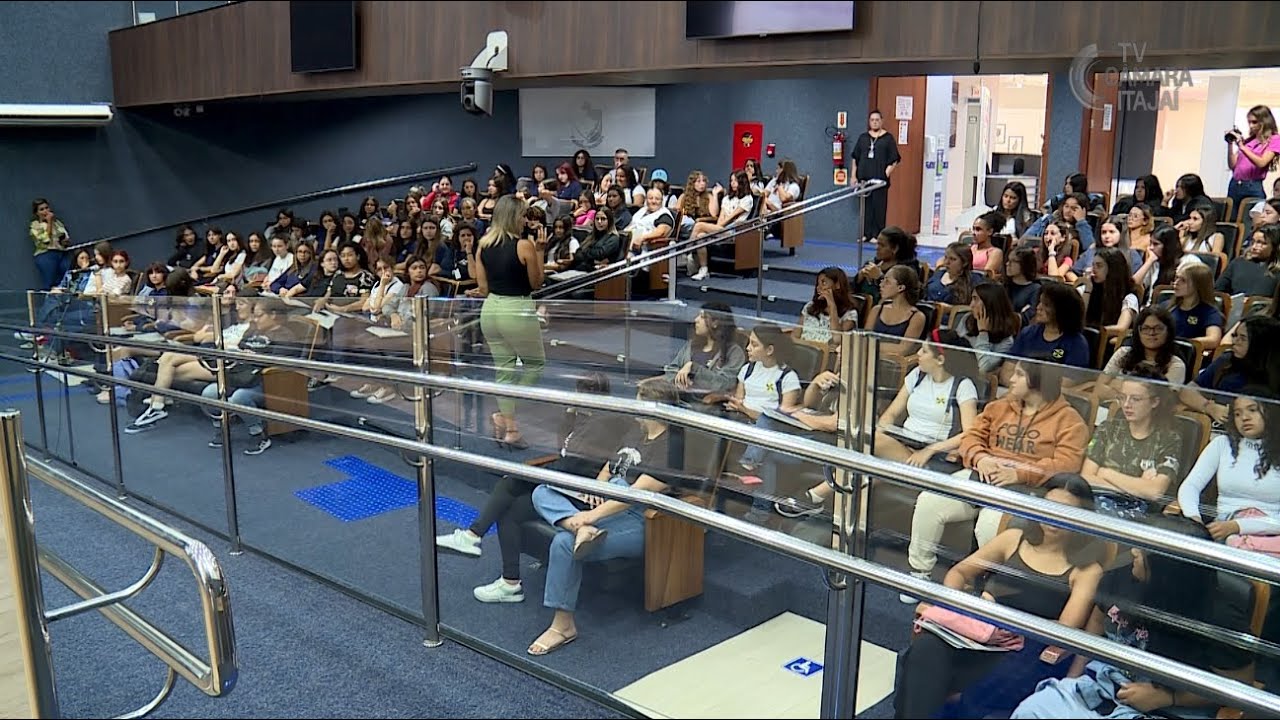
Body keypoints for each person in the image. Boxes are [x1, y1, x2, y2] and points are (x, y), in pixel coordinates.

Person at [894, 473, 1104, 719]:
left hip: (1024, 646)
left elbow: (1066, 628)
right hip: (978, 629)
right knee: (927, 649)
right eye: (1050, 506)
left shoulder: (1087, 570)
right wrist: (958, 603)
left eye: (1066, 511)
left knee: (993, 680)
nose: (1054, 517)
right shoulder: (1014, 539)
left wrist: (1009, 625)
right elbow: (959, 572)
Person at [1011, 515, 1231, 719]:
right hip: (1107, 685)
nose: (1134, 552)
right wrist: (1073, 679)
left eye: (1143, 550)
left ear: (1168, 568)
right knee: (1031, 711)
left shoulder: (1217, 615)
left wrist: (1169, 697)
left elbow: (1235, 686)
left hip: (1168, 707)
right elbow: (1096, 626)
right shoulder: (1121, 576)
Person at [526, 379, 686, 655]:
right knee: (542, 491)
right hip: (604, 502)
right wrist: (595, 493)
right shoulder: (636, 433)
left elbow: (635, 495)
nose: (634, 405)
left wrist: (590, 515)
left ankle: (562, 626)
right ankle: (576, 527)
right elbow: (607, 469)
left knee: (563, 543)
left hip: (639, 517)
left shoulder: (671, 446)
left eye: (639, 399)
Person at [469, 195, 545, 450]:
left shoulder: (482, 245)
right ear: (513, 217)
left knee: (504, 371)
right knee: (535, 365)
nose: (526, 220)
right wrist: (541, 251)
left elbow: (482, 287)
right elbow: (536, 283)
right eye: (523, 215)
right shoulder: (524, 246)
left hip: (490, 309)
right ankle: (506, 418)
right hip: (517, 309)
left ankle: (511, 428)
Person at [853, 110, 901, 242]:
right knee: (866, 207)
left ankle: (878, 234)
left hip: (880, 179)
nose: (874, 122)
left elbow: (895, 158)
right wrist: (853, 176)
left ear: (881, 121)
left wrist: (887, 172)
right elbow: (855, 157)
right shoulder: (863, 138)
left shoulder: (887, 138)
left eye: (877, 120)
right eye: (872, 120)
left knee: (879, 207)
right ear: (869, 122)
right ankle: (866, 234)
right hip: (864, 178)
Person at [29, 198, 70, 290]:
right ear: (37, 213)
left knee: (65, 279)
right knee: (50, 282)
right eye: (41, 209)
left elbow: (64, 236)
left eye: (46, 208)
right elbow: (45, 240)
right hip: (46, 254)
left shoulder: (57, 223)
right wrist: (49, 222)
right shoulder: (35, 225)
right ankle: (50, 303)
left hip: (61, 253)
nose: (45, 211)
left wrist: (64, 240)